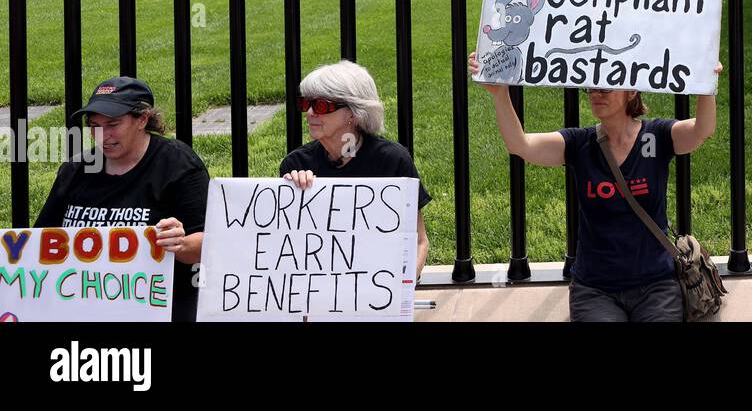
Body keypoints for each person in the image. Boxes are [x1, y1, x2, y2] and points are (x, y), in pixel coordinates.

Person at [469, 50, 719, 322]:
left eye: (607, 86)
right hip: (595, 288)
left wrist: (708, 86)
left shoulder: (657, 136)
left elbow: (701, 131)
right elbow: (520, 145)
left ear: (631, 91)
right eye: (591, 87)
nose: (596, 93)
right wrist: (500, 93)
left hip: (656, 284)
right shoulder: (580, 143)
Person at [35, 76, 209, 322]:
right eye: (94, 126)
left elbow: (210, 244)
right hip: (79, 307)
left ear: (143, 119)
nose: (102, 136)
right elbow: (39, 241)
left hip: (158, 309)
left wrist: (180, 244)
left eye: (113, 124)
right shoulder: (76, 170)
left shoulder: (178, 165)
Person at [281, 60, 430, 278]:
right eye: (306, 103)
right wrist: (293, 193)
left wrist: (401, 291)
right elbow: (290, 249)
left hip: (378, 289)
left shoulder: (391, 160)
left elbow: (418, 241)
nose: (310, 112)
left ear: (353, 113)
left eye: (322, 105)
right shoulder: (296, 165)